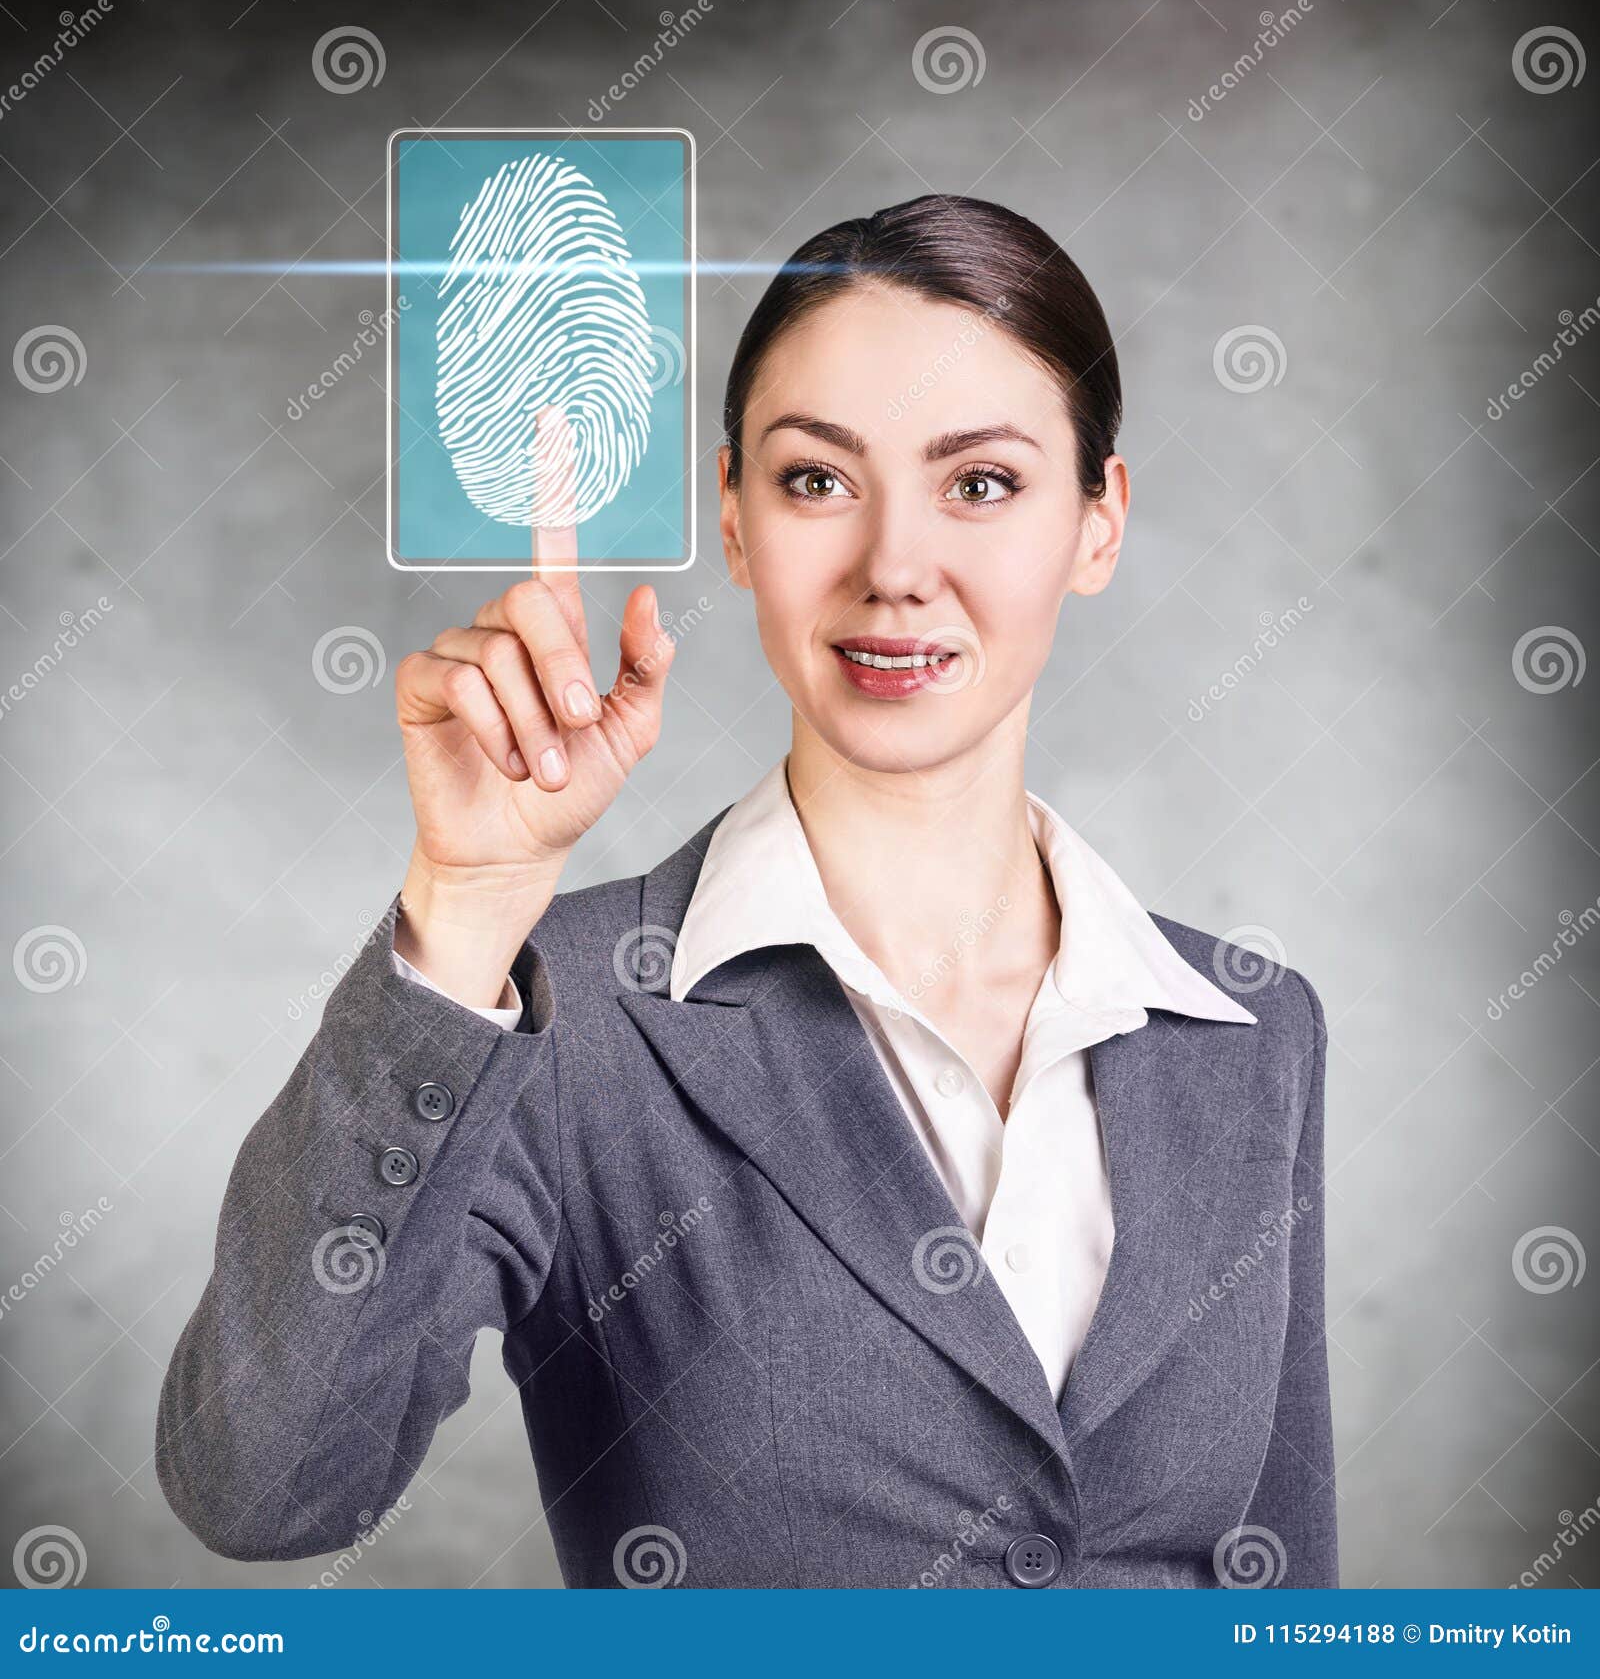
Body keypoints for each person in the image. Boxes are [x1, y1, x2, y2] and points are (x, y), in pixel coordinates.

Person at [156, 194, 1335, 1590]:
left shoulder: (1250, 1035)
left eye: (983, 482)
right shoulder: (562, 1020)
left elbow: (1287, 1585)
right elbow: (261, 1480)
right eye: (817, 480)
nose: (896, 567)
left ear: (1098, 520)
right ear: (731, 514)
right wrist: (469, 900)